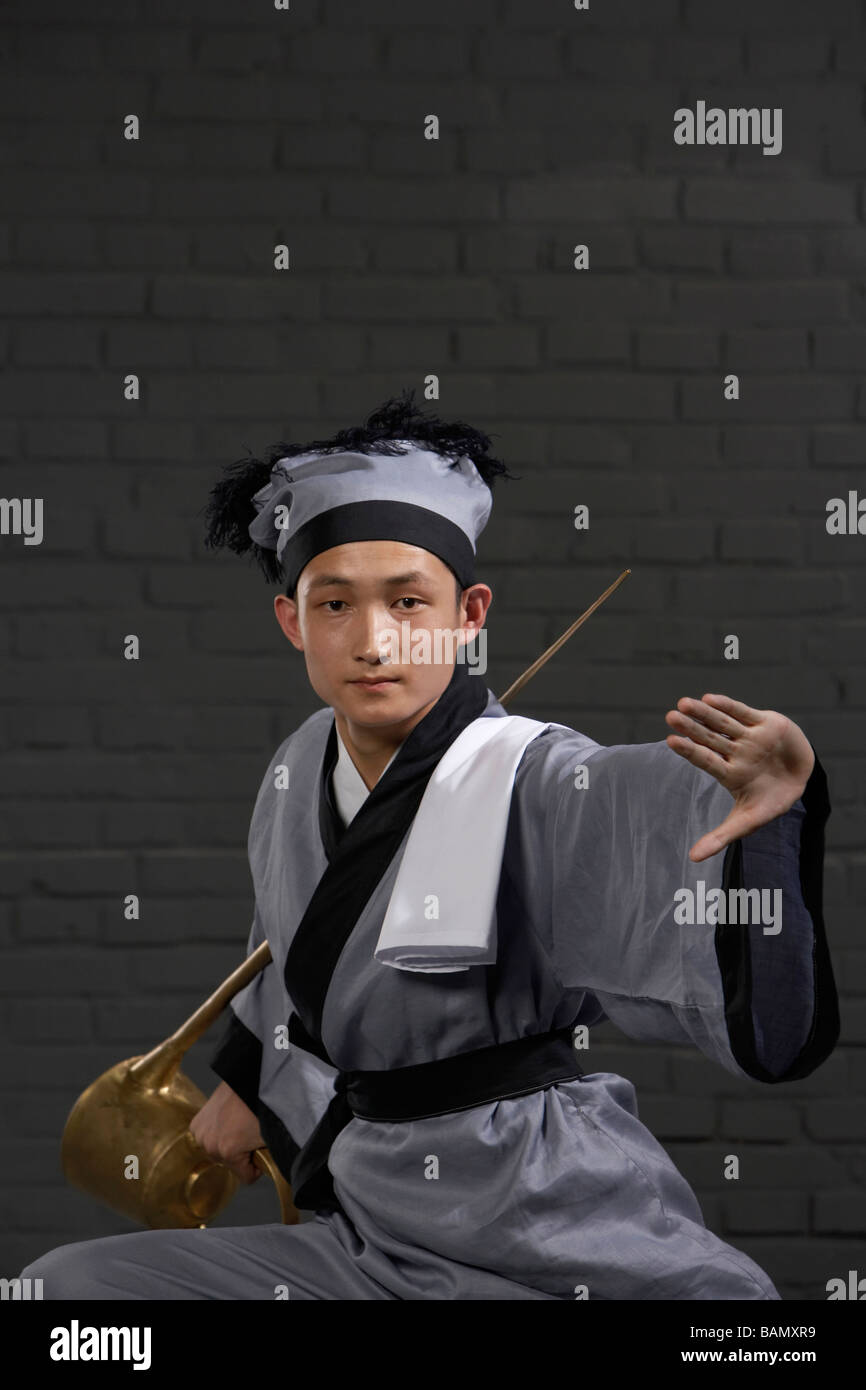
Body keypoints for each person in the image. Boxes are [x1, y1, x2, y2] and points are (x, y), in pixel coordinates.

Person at [22, 391, 838, 1300]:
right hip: (372, 1226)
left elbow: (636, 806)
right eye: (336, 604)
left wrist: (763, 813)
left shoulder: (533, 774)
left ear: (469, 614)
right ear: (294, 621)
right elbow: (300, 959)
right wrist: (249, 1087)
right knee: (70, 1297)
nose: (374, 642)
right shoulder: (298, 767)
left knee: (749, 1343)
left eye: (410, 602)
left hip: (547, 1211)